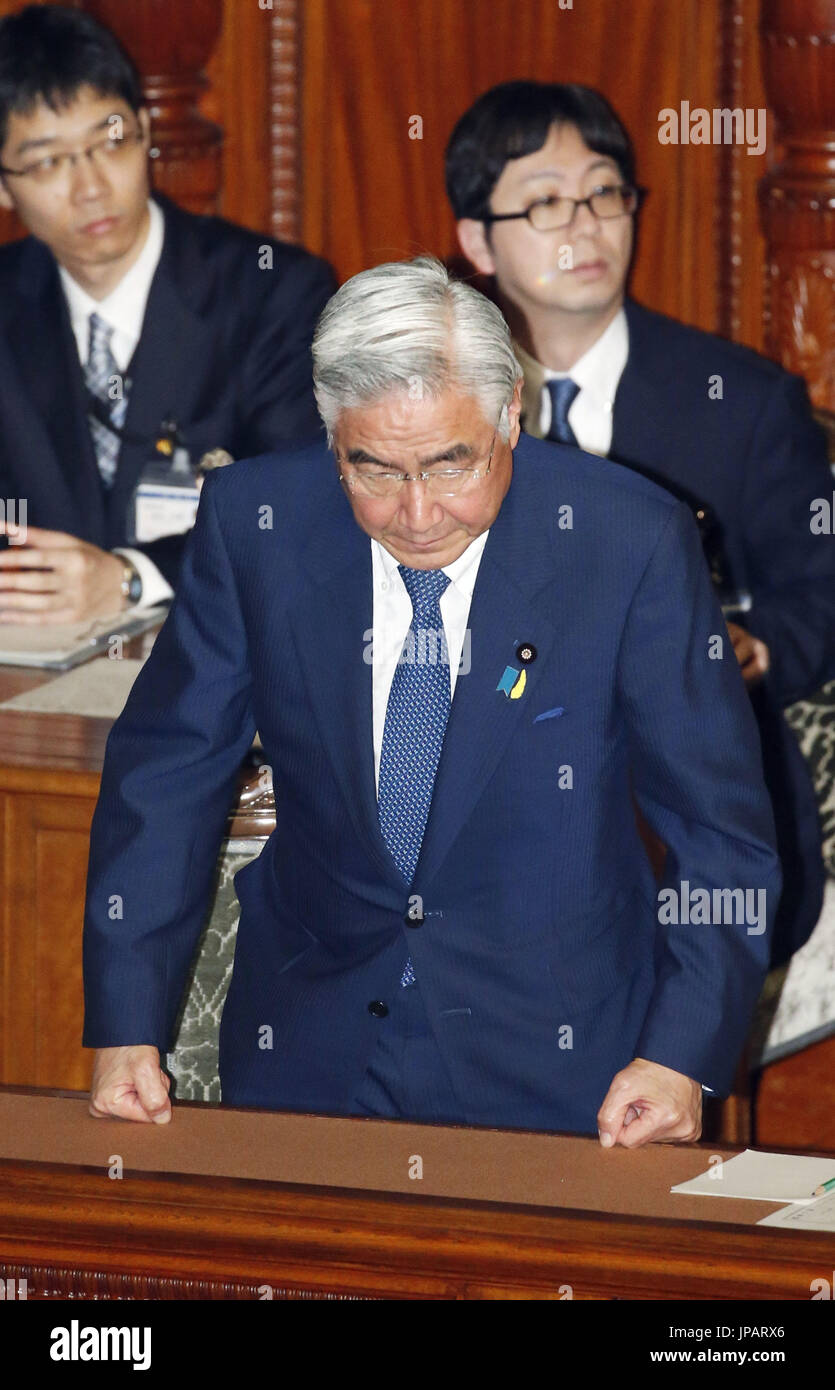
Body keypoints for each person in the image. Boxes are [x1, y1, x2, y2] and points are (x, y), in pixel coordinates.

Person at [83, 256, 780, 1146]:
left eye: (451, 464)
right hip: (307, 1045)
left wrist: (679, 1056)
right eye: (372, 468)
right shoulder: (255, 522)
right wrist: (124, 1022)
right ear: (331, 435)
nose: (416, 513)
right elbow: (165, 777)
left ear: (510, 420)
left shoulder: (626, 541)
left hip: (562, 1064)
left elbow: (719, 835)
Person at [445, 80, 835, 967]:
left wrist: (752, 645)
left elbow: (821, 589)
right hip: (482, 799)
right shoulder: (441, 406)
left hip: (693, 805)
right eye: (544, 202)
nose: (584, 226)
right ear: (477, 240)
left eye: (604, 192)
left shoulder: (739, 401)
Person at [0, 5, 334, 623]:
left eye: (111, 141)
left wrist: (130, 580)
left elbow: (305, 507)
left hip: (225, 666)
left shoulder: (273, 294)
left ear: (147, 130)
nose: (91, 186)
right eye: (48, 162)